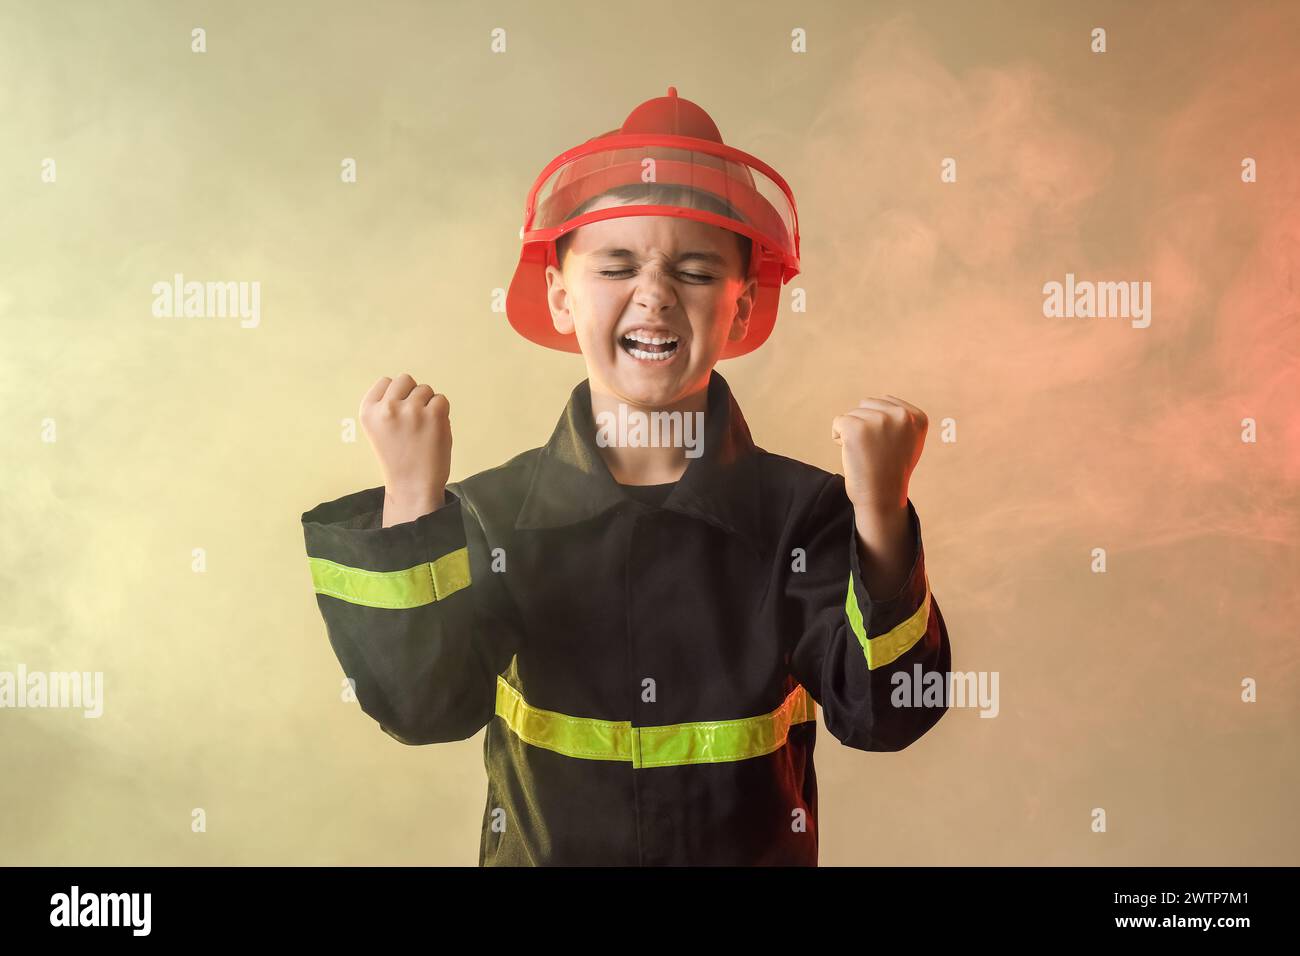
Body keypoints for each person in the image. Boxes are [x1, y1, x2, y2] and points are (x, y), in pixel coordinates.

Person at [300, 87, 952, 866]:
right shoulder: (494, 515)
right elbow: (423, 709)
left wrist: (881, 517)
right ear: (560, 296)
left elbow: (887, 716)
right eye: (616, 264)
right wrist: (411, 506)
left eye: (697, 270)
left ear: (742, 310)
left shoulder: (801, 515)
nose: (655, 293)